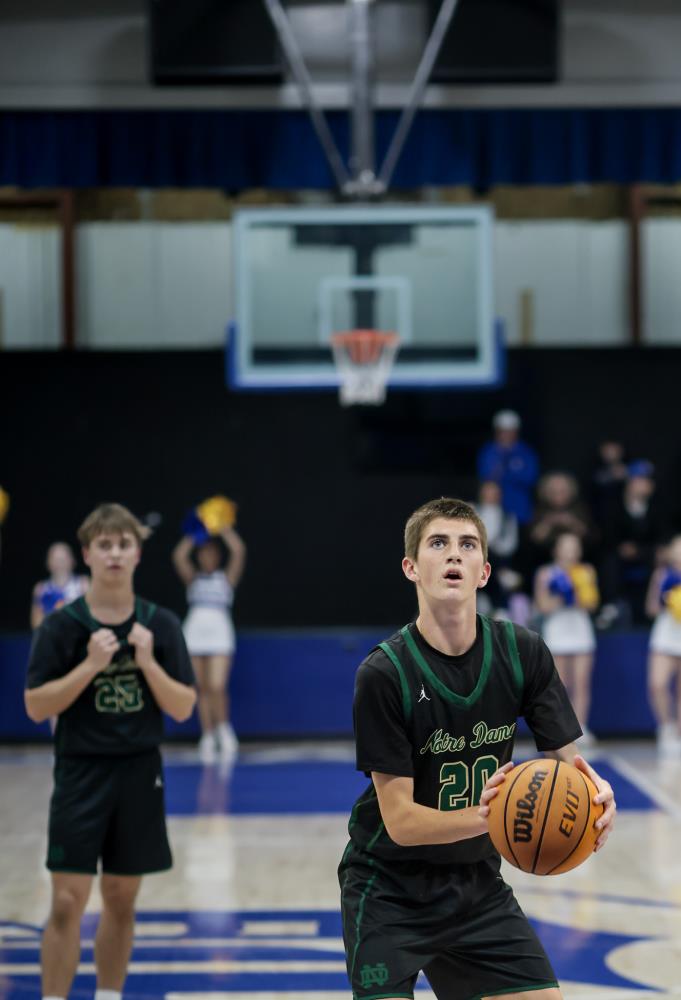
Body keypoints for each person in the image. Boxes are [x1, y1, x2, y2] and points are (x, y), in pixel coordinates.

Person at [339, 496, 615, 1000]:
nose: (454, 555)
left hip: (476, 883)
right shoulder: (383, 674)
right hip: (389, 890)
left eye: (467, 545)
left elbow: (569, 766)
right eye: (438, 543)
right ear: (411, 568)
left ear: (484, 572)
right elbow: (401, 823)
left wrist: (596, 794)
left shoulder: (523, 651)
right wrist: (500, 815)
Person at [24, 502, 196, 1000]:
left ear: (137, 554)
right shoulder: (61, 626)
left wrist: (147, 662)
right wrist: (89, 666)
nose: (115, 553)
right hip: (80, 771)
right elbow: (35, 706)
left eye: (123, 544)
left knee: (121, 900)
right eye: (105, 545)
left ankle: (109, 995)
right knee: (65, 902)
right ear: (88, 554)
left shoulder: (159, 624)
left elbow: (183, 706)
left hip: (140, 773)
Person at [172, 523, 246, 763]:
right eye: (204, 553)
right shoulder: (193, 579)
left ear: (217, 556)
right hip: (195, 633)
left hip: (220, 633)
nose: (208, 557)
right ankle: (207, 734)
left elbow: (239, 550)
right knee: (201, 687)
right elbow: (178, 555)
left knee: (217, 685)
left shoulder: (226, 578)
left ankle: (224, 729)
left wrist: (222, 527)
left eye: (212, 553)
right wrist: (195, 533)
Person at [534, 532, 599, 746]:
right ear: (557, 550)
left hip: (580, 629)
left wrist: (576, 593)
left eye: (574, 547)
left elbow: (591, 604)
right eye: (566, 546)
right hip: (557, 630)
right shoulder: (545, 573)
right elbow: (542, 606)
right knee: (559, 683)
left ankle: (582, 727)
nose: (570, 552)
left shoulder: (586, 571)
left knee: (581, 681)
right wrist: (561, 596)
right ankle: (561, 728)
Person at [600, 460, 662, 626]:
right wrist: (623, 547)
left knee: (659, 563)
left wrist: (643, 550)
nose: (643, 485)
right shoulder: (613, 504)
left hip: (647, 553)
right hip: (618, 553)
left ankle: (652, 611)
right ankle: (611, 605)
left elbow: (660, 536)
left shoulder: (658, 506)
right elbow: (607, 534)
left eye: (647, 481)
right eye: (639, 480)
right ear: (629, 482)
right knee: (610, 562)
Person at [645, 535, 681, 757]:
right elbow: (650, 609)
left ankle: (679, 735)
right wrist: (665, 597)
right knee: (657, 684)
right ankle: (666, 727)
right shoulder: (661, 574)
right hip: (665, 635)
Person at [476, 410, 539, 525]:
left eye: (510, 431)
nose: (505, 435)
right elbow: (486, 477)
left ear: (516, 432)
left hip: (520, 508)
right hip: (493, 508)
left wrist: (505, 473)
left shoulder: (526, 452)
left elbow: (531, 478)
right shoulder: (489, 451)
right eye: (502, 431)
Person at [31, 541, 90, 629]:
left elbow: (91, 617)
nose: (60, 563)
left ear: (72, 561)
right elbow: (36, 623)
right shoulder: (41, 589)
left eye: (63, 559)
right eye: (56, 559)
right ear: (48, 563)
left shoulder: (84, 584)